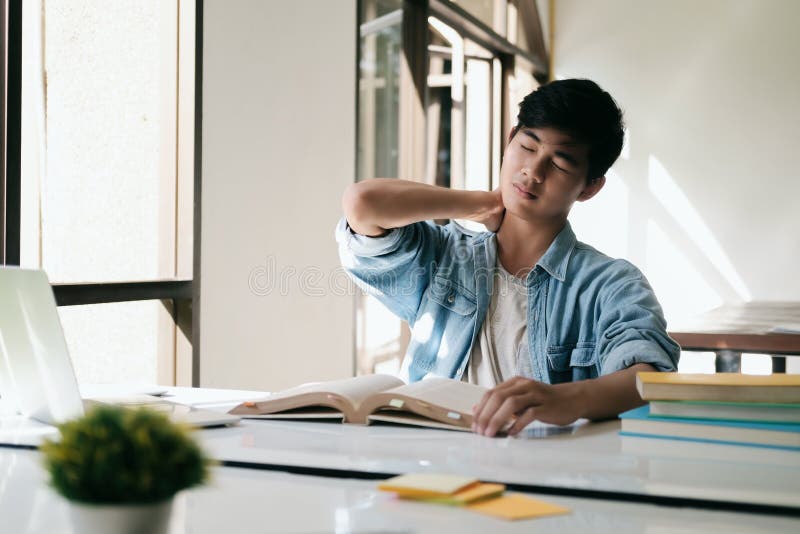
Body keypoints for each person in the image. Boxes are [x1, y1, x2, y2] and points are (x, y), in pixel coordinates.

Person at [337, 78, 679, 437]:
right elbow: (362, 204)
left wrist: (567, 399)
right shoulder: (446, 257)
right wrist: (481, 205)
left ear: (590, 187)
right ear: (510, 138)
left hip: (540, 464)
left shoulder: (610, 284)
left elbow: (648, 376)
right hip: (430, 456)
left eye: (560, 164)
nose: (534, 171)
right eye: (528, 146)